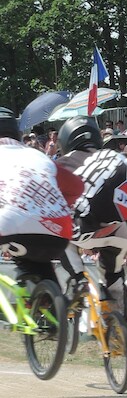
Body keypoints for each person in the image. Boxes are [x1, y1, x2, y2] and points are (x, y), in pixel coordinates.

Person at [54, 117, 127, 314]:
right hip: (119, 234)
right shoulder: (115, 157)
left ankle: (78, 280)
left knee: (58, 235)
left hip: (82, 231)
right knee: (113, 272)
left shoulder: (61, 164)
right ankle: (116, 316)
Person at [0, 107, 79, 296]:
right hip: (59, 230)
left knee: (18, 237)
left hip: (12, 224)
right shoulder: (38, 155)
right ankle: (53, 310)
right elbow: (77, 187)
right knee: (37, 260)